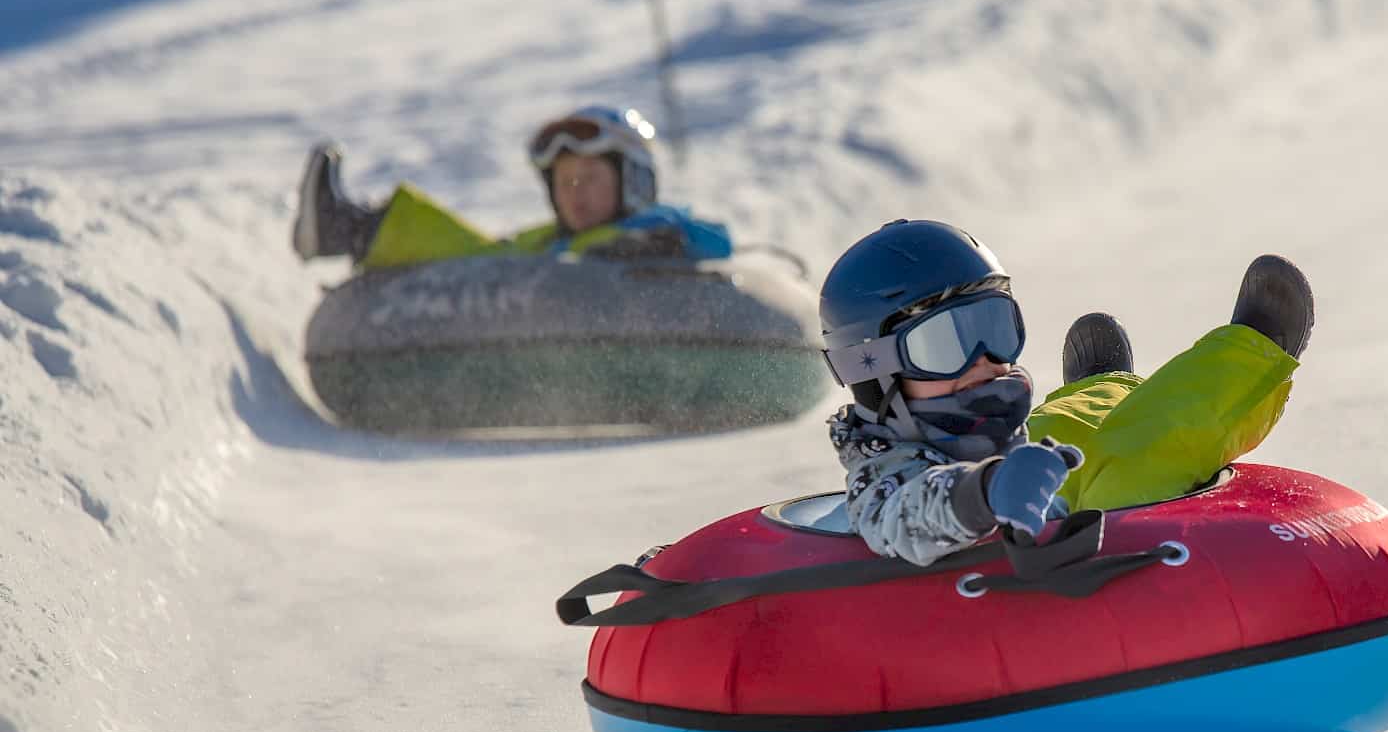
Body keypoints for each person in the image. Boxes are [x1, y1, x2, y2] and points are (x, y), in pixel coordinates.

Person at [821, 218, 1314, 566]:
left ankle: (1101, 388)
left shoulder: (977, 421)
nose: (984, 360)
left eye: (994, 327)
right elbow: (905, 515)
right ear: (876, 374)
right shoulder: (883, 473)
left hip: (1044, 493)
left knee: (1062, 428)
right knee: (1138, 459)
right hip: (994, 611)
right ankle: (1249, 354)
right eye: (942, 343)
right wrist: (986, 493)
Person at [289, 105, 731, 267]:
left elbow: (716, 244)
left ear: (633, 182)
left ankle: (350, 228)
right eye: (564, 182)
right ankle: (359, 232)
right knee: (477, 257)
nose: (575, 192)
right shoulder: (553, 240)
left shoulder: (657, 225)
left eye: (590, 179)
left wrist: (663, 246)